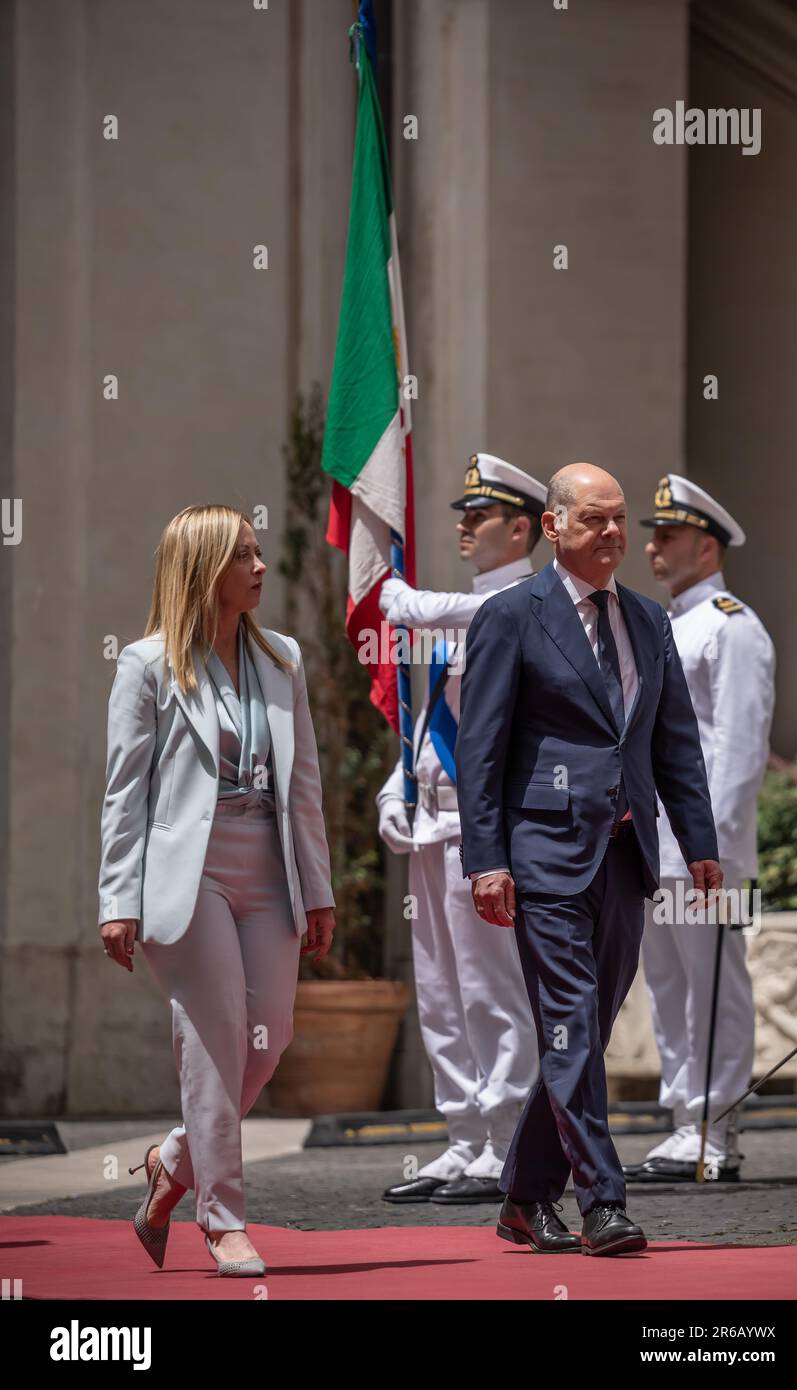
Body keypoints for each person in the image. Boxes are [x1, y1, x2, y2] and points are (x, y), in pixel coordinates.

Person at [455, 462, 722, 1256]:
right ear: (552, 527)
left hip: (625, 854)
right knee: (570, 1022)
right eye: (593, 520)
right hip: (542, 855)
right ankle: (602, 1199)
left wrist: (698, 842)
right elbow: (481, 750)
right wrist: (485, 859)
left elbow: (673, 742)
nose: (612, 533)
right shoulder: (511, 616)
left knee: (585, 1031)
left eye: (619, 520)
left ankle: (521, 1196)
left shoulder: (646, 619)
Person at [98, 505, 335, 1277]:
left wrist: (319, 891)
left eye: (260, 552)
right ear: (202, 570)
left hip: (270, 870)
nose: (260, 567)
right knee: (215, 1040)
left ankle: (173, 1158)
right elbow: (124, 793)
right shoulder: (146, 664)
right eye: (243, 556)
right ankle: (223, 1218)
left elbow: (304, 789)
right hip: (187, 875)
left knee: (269, 1036)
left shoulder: (284, 660)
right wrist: (117, 900)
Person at [376, 454, 542, 1204]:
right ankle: (463, 1136)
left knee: (488, 988)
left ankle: (509, 1139)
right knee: (440, 992)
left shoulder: (533, 603)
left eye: (479, 517)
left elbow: (450, 615)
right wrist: (395, 786)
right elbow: (432, 723)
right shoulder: (455, 615)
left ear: (522, 528)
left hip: (485, 830)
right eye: (463, 515)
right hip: (432, 824)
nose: (462, 526)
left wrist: (400, 598)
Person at [623, 474, 775, 1182]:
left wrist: (707, 847)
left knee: (713, 983)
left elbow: (739, 753)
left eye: (669, 535)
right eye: (652, 534)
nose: (652, 546)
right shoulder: (667, 625)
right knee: (668, 983)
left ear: (706, 546)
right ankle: (685, 1120)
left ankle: (717, 1129)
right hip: (654, 844)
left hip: (704, 848)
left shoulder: (730, 624)